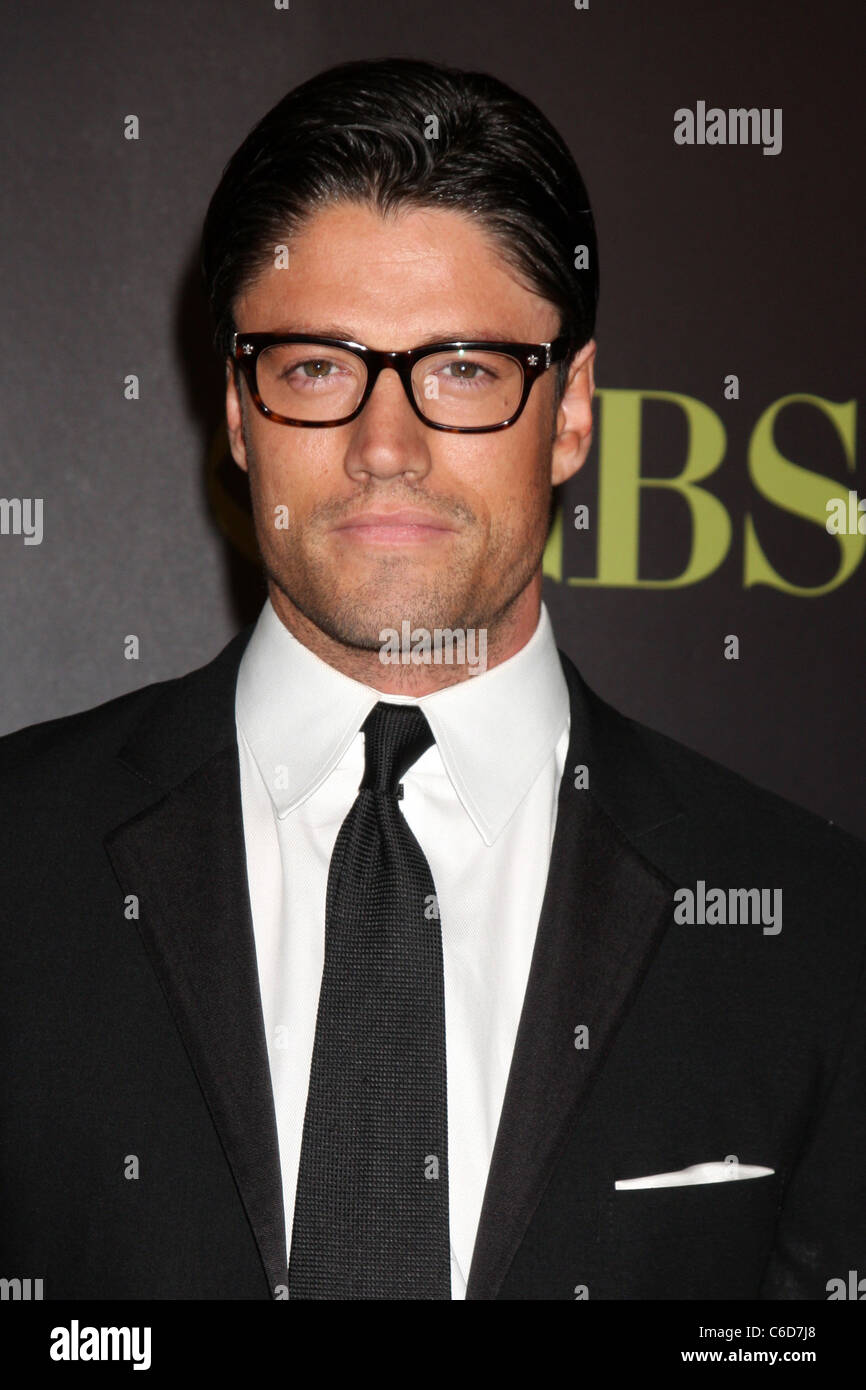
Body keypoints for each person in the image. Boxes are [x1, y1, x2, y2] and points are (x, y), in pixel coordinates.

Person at [1, 56, 864, 1302]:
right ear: (237, 413)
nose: (383, 447)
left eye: (461, 367)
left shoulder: (814, 932)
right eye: (315, 366)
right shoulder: (17, 856)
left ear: (569, 411)